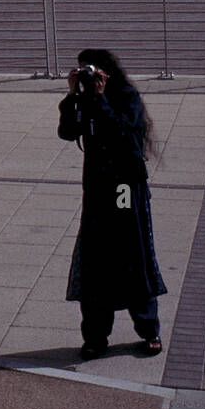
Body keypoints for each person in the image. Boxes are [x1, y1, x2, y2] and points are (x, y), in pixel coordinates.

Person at [58, 47, 167, 361]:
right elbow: (67, 132)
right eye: (82, 71)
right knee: (96, 266)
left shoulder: (126, 96)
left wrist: (101, 98)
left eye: (91, 71)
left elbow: (122, 136)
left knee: (135, 258)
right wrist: (72, 96)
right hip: (97, 191)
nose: (88, 77)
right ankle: (95, 337)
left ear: (107, 72)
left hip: (125, 189)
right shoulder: (84, 99)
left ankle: (149, 331)